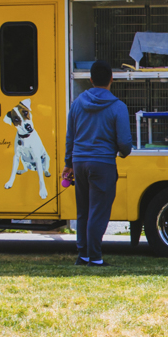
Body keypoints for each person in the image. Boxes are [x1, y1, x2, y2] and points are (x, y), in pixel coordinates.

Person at [65, 60, 131, 266]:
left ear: (91, 79)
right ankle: (95, 256)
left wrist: (68, 163)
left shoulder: (76, 104)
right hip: (103, 163)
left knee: (83, 210)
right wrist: (123, 152)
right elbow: (124, 141)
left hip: (79, 162)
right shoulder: (118, 106)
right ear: (112, 79)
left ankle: (82, 254)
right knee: (98, 210)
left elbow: (70, 136)